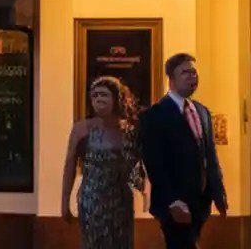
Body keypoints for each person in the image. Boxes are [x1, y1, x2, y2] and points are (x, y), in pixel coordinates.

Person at [139, 53, 228, 249]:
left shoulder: (201, 111)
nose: (192, 77)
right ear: (171, 79)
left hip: (200, 202)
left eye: (194, 73)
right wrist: (173, 201)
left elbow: (210, 155)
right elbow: (155, 163)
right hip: (174, 204)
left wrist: (218, 192)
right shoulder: (155, 115)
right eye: (185, 73)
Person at [61, 76, 145, 249]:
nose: (98, 99)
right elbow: (69, 165)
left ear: (116, 98)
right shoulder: (81, 129)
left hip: (120, 200)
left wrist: (147, 192)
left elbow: (135, 167)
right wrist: (64, 202)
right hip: (92, 200)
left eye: (104, 95)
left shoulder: (129, 130)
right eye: (95, 95)